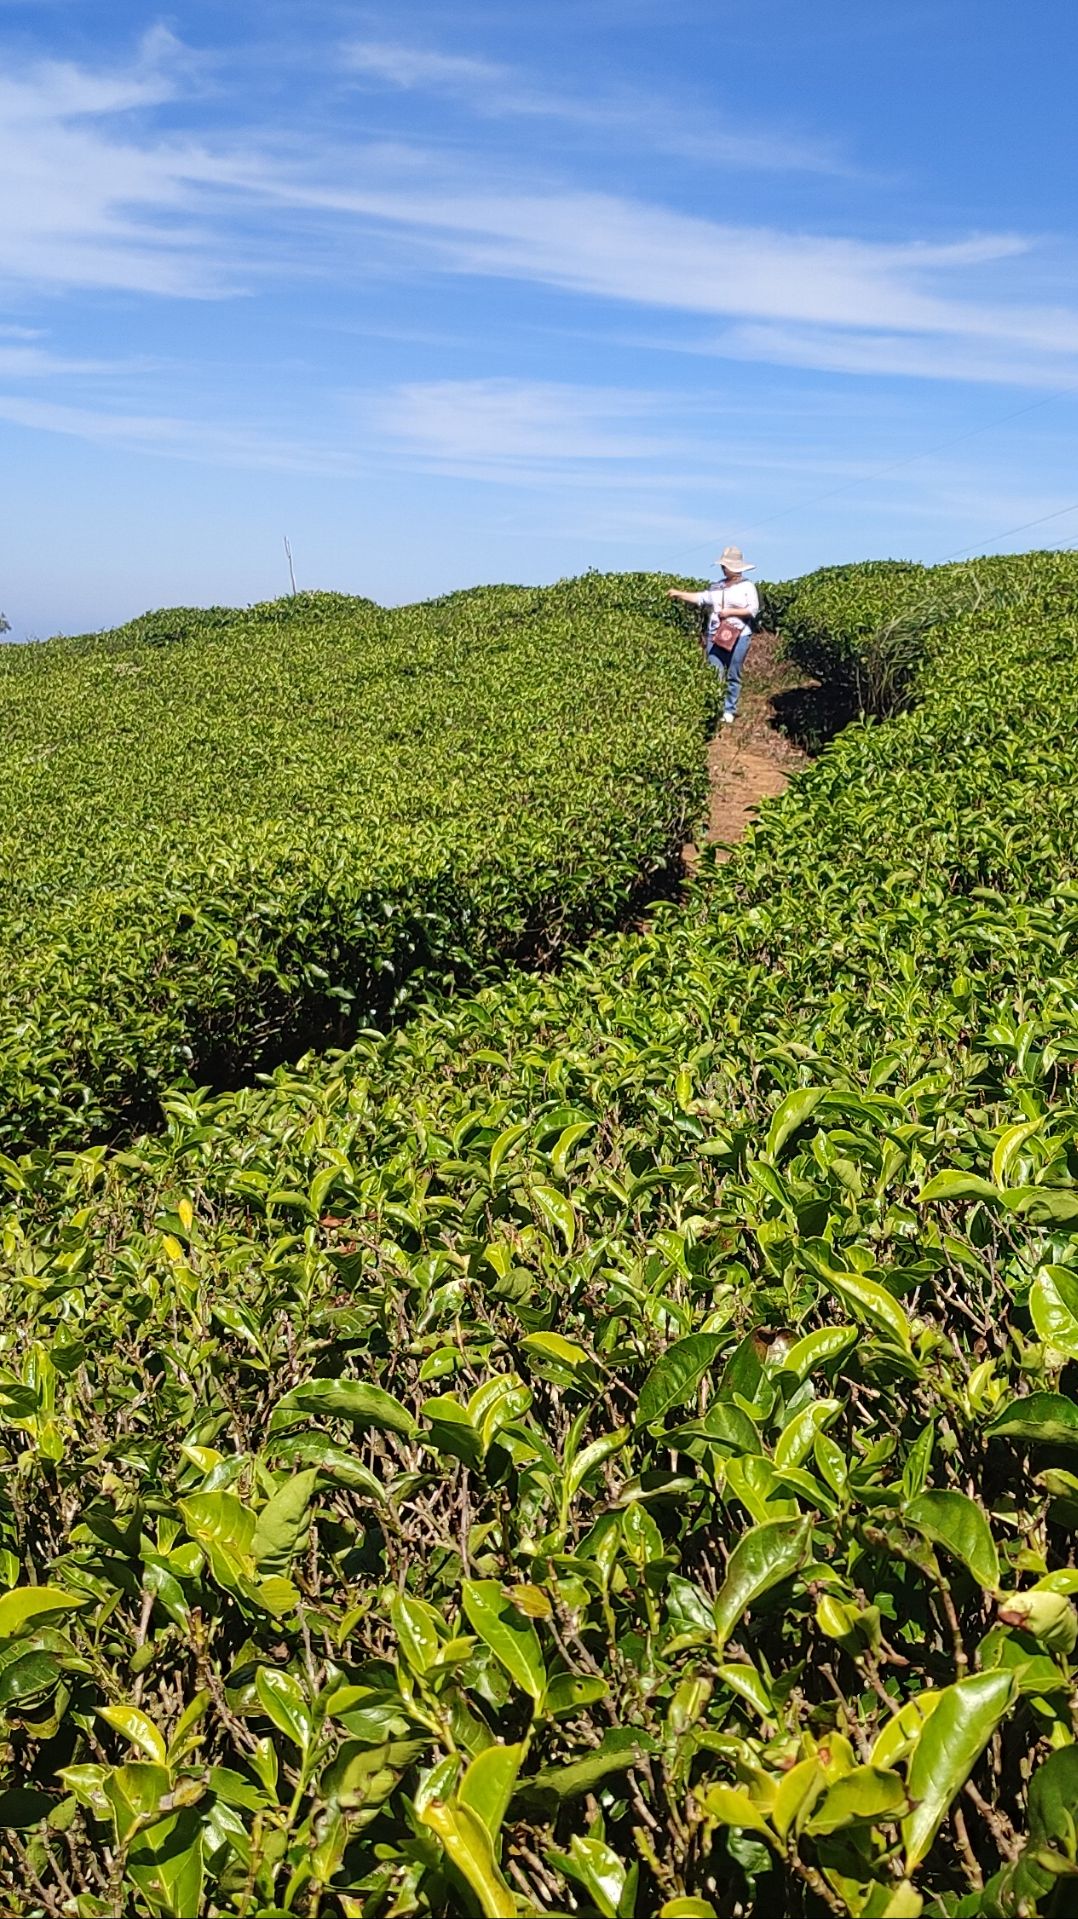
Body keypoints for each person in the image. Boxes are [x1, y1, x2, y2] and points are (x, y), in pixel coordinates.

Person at [667, 545, 760, 723]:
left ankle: (729, 709)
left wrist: (730, 612)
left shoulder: (747, 586)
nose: (723, 569)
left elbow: (752, 610)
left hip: (739, 634)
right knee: (714, 672)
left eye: (726, 566)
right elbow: (701, 598)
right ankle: (715, 707)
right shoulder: (716, 587)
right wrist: (679, 594)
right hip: (715, 635)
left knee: (733, 672)